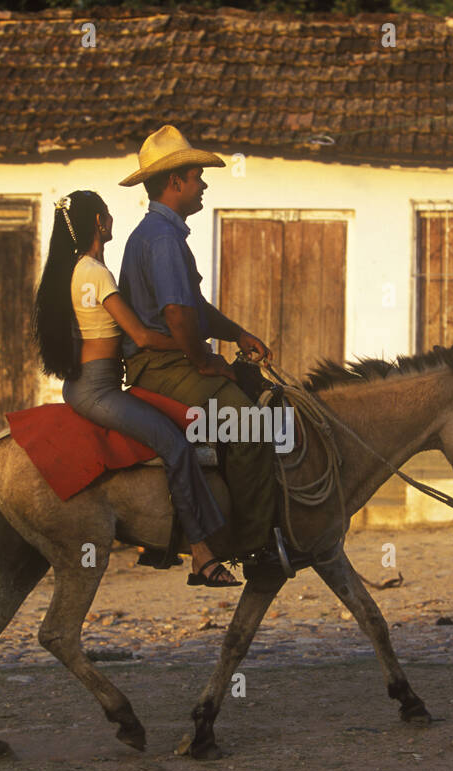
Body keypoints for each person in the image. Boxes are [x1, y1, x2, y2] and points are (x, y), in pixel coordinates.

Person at [32, 189, 240, 588]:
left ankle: (153, 538)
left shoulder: (78, 269)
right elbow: (142, 337)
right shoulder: (95, 273)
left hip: (90, 385)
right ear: (98, 222)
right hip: (99, 390)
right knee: (175, 445)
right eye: (107, 214)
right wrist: (195, 348)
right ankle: (201, 554)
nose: (112, 220)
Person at [116, 125, 282, 570]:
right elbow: (178, 316)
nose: (203, 184)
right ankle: (254, 544)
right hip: (165, 367)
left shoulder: (157, 234)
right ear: (175, 183)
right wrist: (205, 360)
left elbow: (195, 306)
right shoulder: (164, 239)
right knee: (250, 425)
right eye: (196, 176)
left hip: (170, 361)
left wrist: (235, 333)